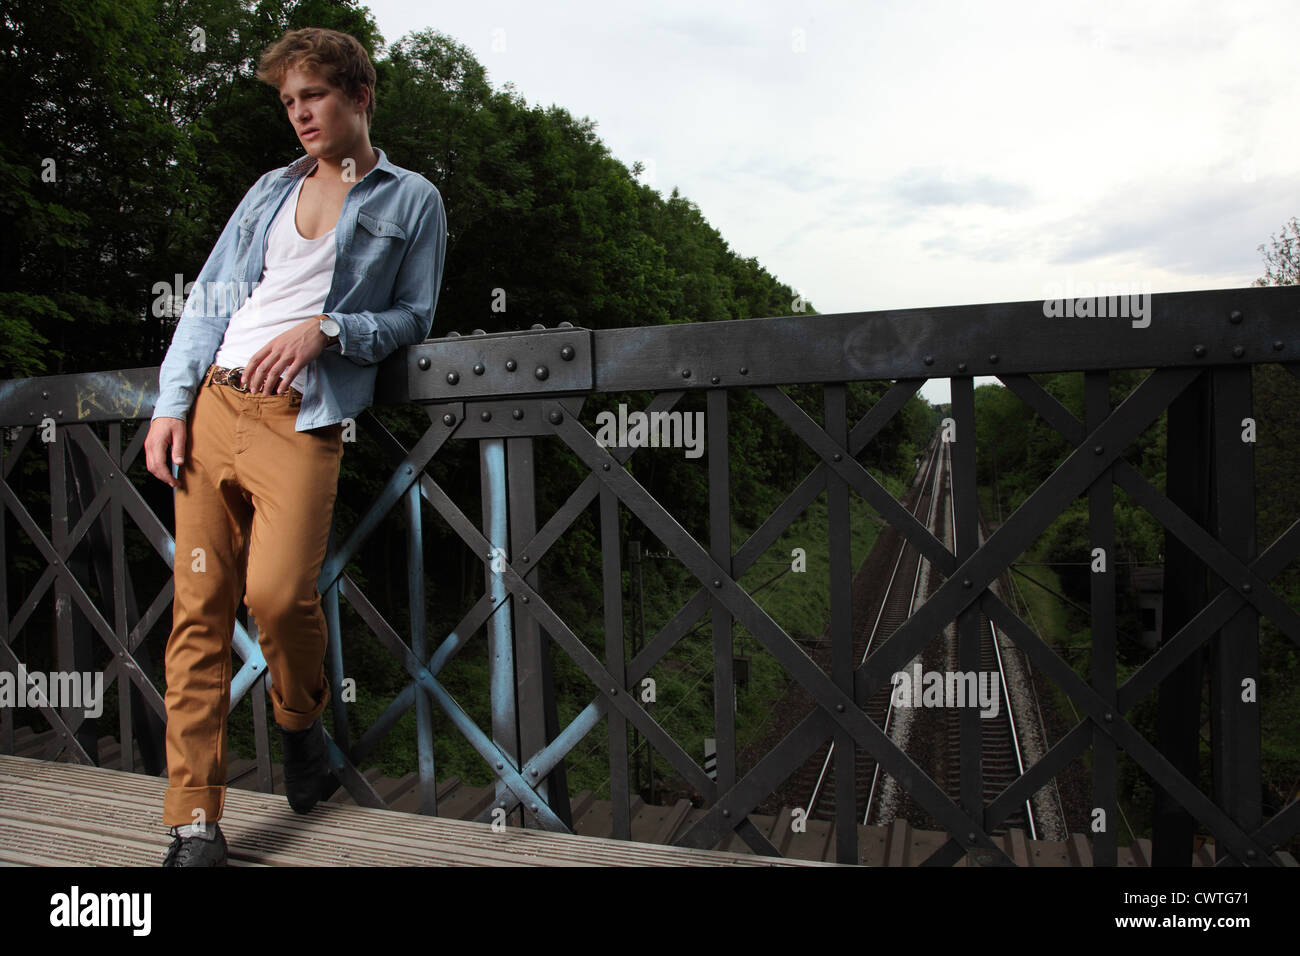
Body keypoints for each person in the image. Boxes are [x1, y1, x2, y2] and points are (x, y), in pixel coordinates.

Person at [145, 26, 447, 867]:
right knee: (199, 612)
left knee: (278, 597)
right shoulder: (269, 191)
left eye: (314, 95)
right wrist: (172, 404)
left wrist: (330, 330)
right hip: (216, 406)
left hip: (302, 417)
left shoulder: (411, 199)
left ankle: (300, 721)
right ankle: (193, 824)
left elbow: (415, 317)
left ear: (360, 96)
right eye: (288, 101)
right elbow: (210, 300)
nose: (300, 114)